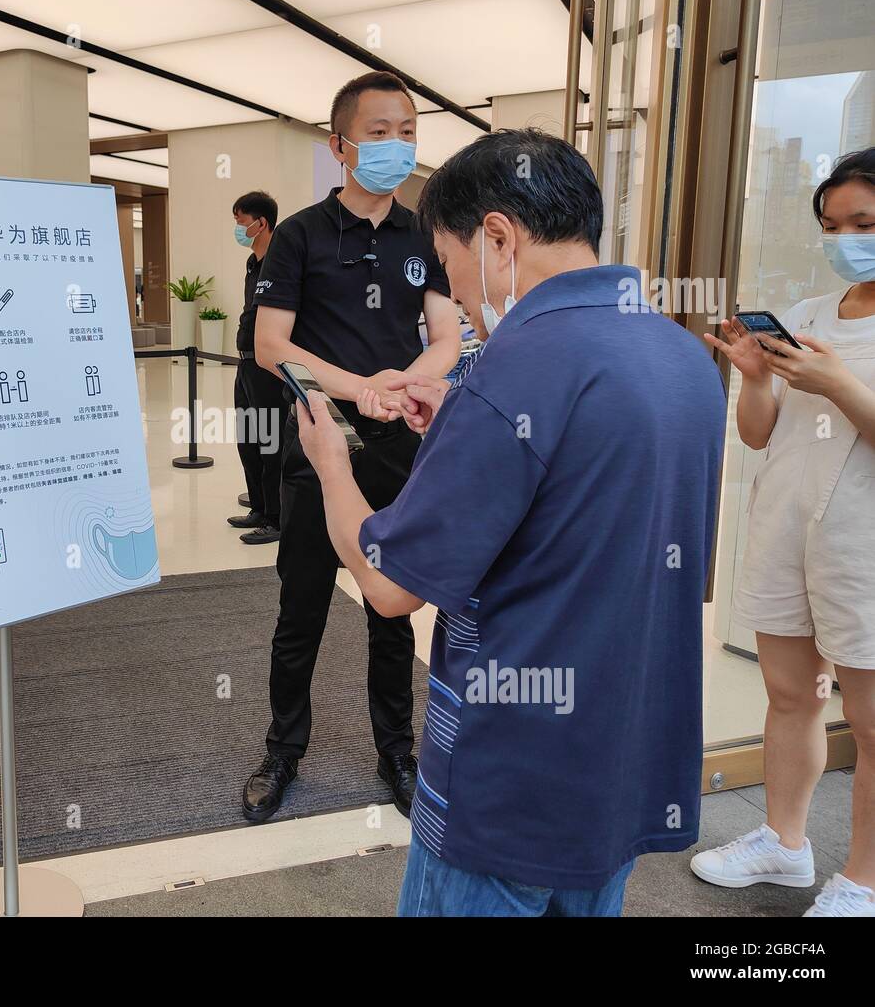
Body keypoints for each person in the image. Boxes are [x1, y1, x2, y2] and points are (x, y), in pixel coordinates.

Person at [294, 128, 726, 916]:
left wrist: (332, 463)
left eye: (456, 278)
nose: (461, 303)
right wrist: (465, 419)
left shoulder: (516, 366)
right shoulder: (685, 358)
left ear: (498, 235)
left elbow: (388, 588)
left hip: (509, 781)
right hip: (619, 765)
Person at [242, 71, 460, 823]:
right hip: (316, 444)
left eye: (407, 132)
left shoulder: (424, 236)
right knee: (299, 610)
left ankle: (397, 752)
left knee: (391, 612)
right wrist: (356, 386)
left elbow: (449, 338)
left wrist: (398, 386)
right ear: (339, 146)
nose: (396, 146)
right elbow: (273, 345)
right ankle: (283, 750)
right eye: (378, 133)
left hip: (400, 450)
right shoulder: (300, 235)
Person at [692, 147, 875, 917]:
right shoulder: (805, 315)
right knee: (789, 693)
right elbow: (761, 435)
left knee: (869, 720)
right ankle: (785, 842)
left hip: (863, 543)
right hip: (785, 528)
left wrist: (839, 383)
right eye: (833, 224)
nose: (845, 238)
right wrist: (757, 375)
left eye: (864, 222)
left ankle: (863, 879)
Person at [227, 190, 285, 545]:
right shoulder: (252, 265)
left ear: (260, 223)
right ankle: (260, 507)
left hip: (268, 368)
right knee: (249, 438)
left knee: (271, 443)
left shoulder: (280, 262)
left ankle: (277, 518)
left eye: (240, 221)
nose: (236, 228)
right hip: (245, 365)